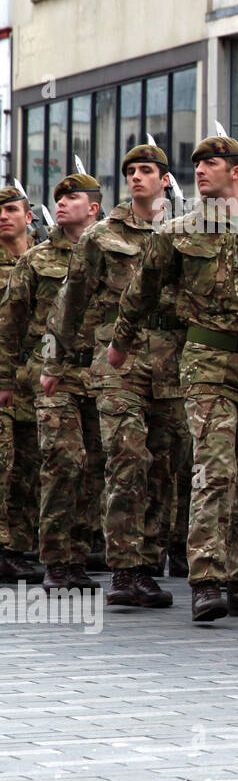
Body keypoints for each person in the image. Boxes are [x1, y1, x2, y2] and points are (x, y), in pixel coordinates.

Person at [111, 136, 238, 622]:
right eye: (198, 164)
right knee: (213, 467)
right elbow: (141, 292)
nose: (201, 171)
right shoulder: (179, 232)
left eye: (212, 163)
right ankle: (207, 579)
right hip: (208, 361)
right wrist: (121, 344)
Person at [45, 147, 192, 608]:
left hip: (172, 365)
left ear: (165, 180)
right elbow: (72, 303)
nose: (136, 178)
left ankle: (148, 564)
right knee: (127, 459)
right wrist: (55, 363)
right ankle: (125, 570)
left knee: (165, 465)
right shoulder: (102, 236)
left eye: (146, 171)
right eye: (129, 171)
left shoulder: (188, 232)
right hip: (117, 364)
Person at [0, 174, 108, 592]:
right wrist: (7, 379)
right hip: (52, 375)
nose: (60, 203)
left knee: (94, 469)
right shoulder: (37, 260)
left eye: (72, 197)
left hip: (99, 376)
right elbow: (9, 326)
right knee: (62, 463)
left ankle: (78, 556)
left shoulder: (110, 256)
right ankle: (56, 560)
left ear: (94, 208)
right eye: (57, 198)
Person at [0, 188, 42, 584]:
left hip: (35, 379)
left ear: (28, 217)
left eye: (11, 209)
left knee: (29, 465)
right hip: (3, 380)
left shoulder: (41, 260)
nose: (3, 216)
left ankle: (19, 546)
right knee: (3, 464)